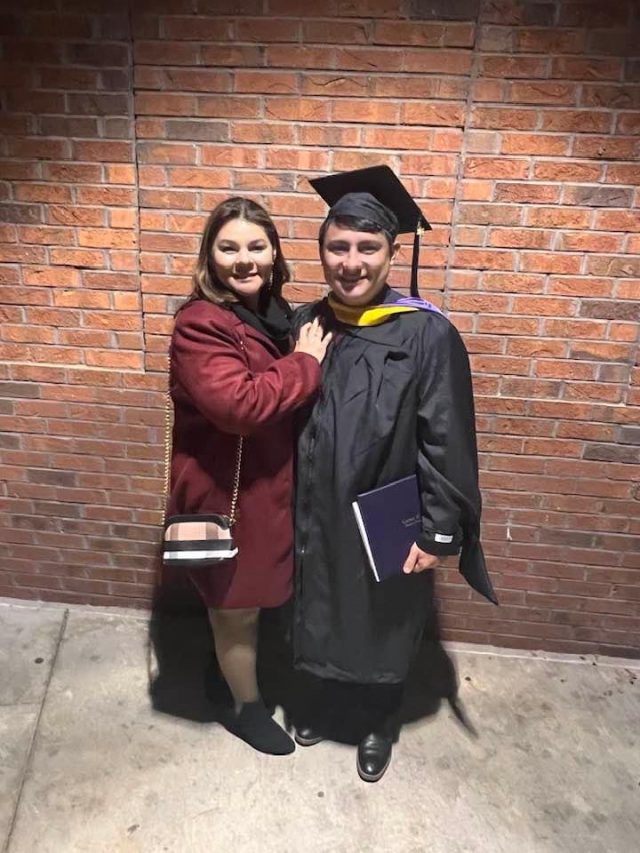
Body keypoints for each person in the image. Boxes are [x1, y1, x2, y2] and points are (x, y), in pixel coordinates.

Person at [291, 166, 497, 781]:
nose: (350, 262)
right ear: (322, 250)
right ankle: (322, 697)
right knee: (317, 605)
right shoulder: (306, 323)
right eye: (338, 247)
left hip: (384, 513)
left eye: (367, 247)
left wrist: (438, 531)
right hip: (312, 507)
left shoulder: (428, 334)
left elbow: (448, 438)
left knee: (382, 618)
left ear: (392, 253)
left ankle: (379, 718)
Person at [166, 197, 331, 755]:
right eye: (229, 247)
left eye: (256, 246)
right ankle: (245, 708)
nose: (244, 259)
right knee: (235, 608)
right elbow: (237, 404)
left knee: (249, 602)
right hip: (227, 496)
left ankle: (228, 676)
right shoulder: (201, 325)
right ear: (209, 256)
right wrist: (305, 364)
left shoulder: (275, 313)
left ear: (275, 251)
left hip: (268, 488)